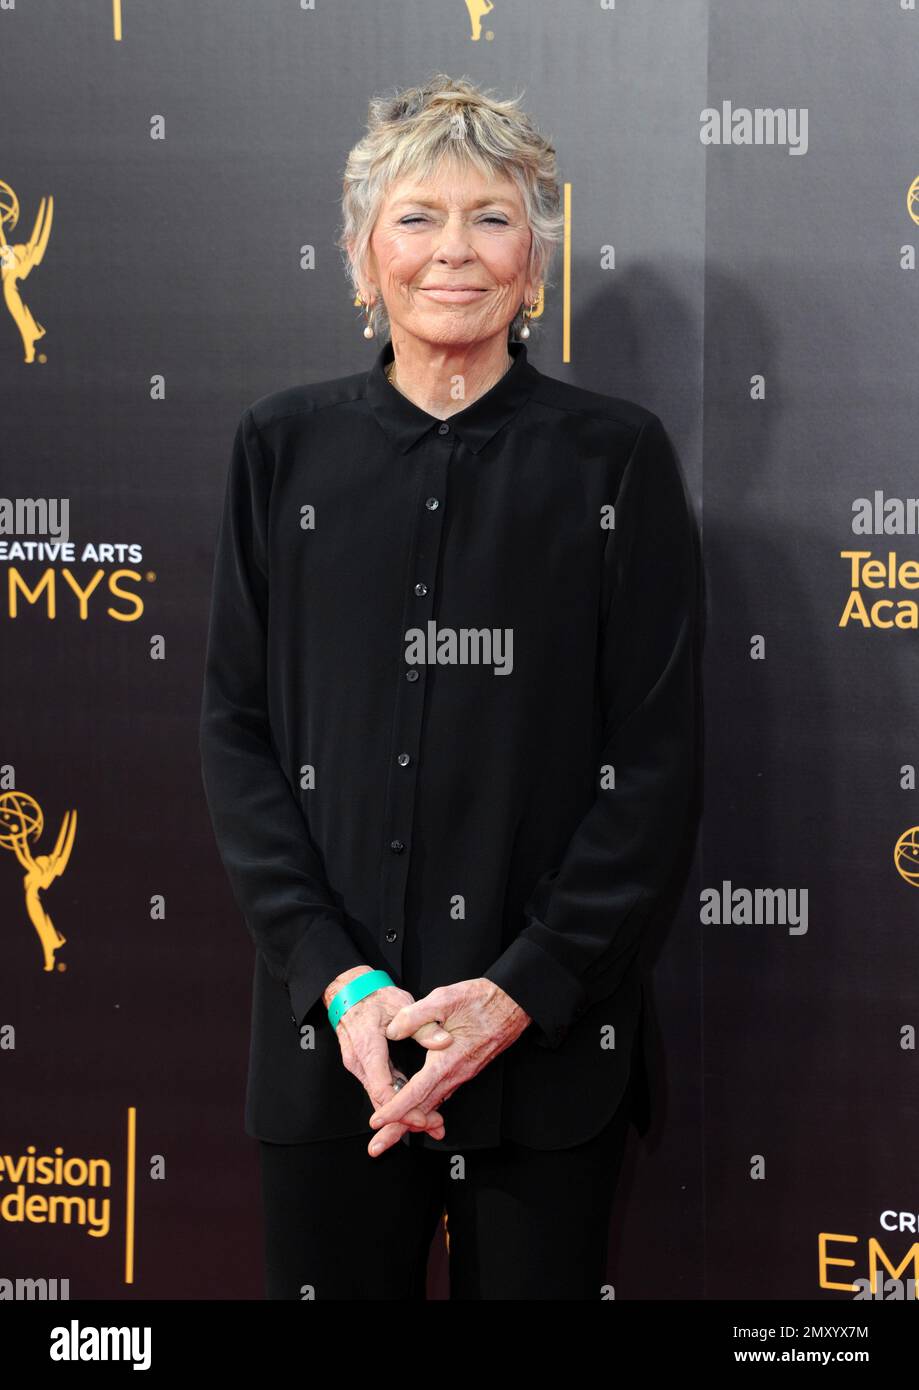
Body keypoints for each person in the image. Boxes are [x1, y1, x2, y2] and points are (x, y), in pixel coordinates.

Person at [198, 72, 700, 1300]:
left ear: (536, 267)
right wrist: (346, 977)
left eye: (492, 218)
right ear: (363, 258)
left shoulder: (616, 458)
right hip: (337, 1054)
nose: (454, 251)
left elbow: (654, 768)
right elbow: (237, 734)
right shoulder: (281, 448)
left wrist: (522, 991)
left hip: (551, 1057)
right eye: (417, 217)